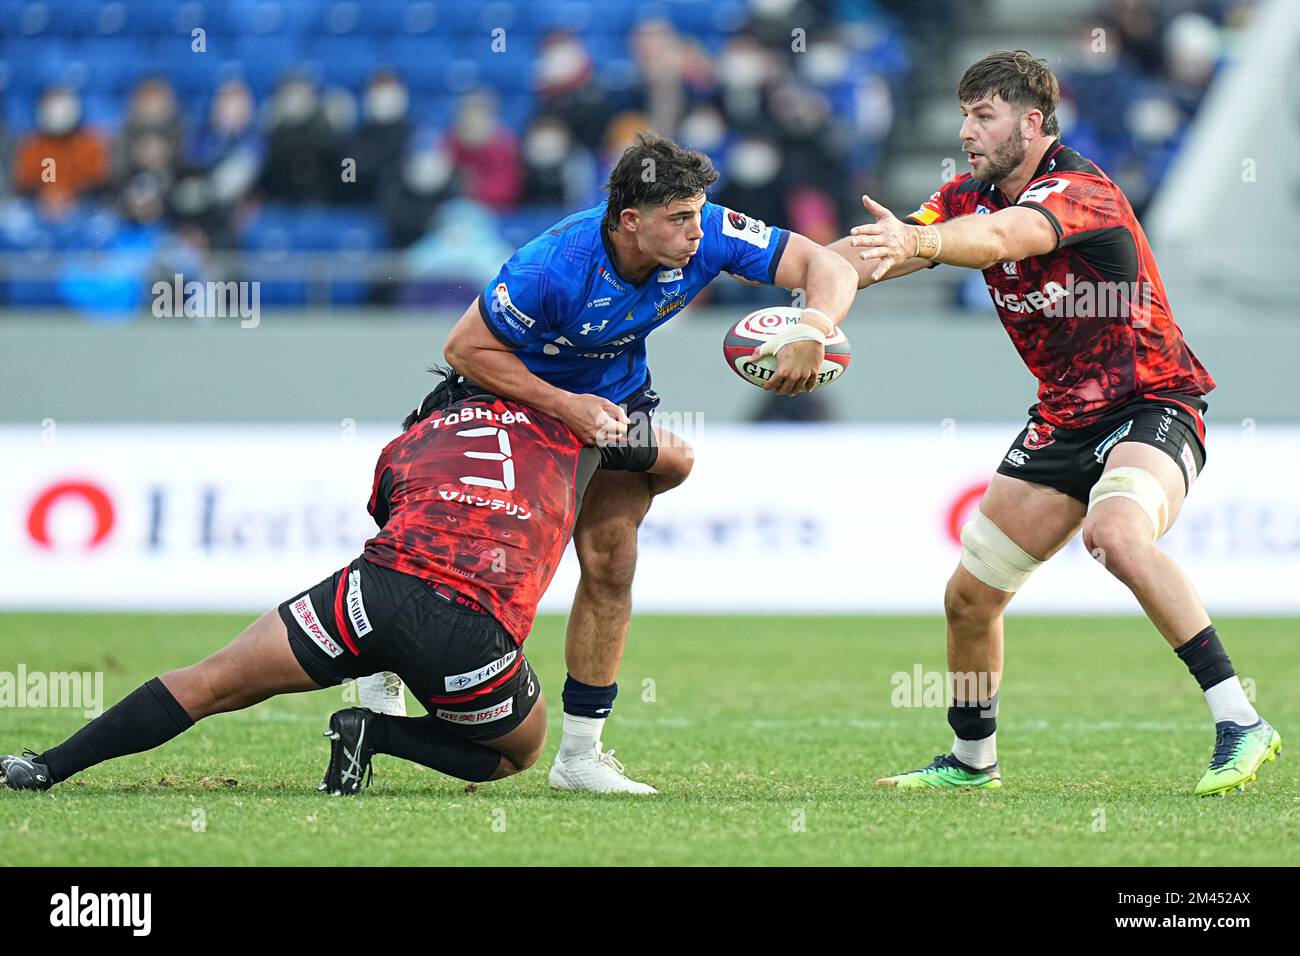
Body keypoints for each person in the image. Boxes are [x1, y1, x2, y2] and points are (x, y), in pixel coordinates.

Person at [833, 50, 1279, 796]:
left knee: (1116, 535)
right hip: (1063, 419)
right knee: (969, 597)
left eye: (984, 115)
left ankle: (1241, 720)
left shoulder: (1080, 189)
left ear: (1031, 122)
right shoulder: (964, 200)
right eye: (964, 115)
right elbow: (865, 256)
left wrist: (923, 241)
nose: (967, 132)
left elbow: (1007, 239)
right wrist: (795, 286)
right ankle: (973, 762)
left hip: (1152, 400)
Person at [1, 371, 692, 794]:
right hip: (471, 627)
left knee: (208, 680)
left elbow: (397, 512)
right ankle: (373, 733)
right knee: (518, 752)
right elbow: (678, 455)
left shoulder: (405, 445)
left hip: (369, 592)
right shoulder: (570, 425)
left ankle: (45, 766)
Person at [442, 131, 859, 793]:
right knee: (493, 567)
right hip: (518, 403)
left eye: (699, 213)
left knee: (614, 560)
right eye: (681, 219)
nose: (699, 232)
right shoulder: (553, 264)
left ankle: (579, 757)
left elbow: (828, 265)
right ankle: (386, 660)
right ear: (630, 222)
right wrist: (565, 404)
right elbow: (465, 349)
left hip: (616, 402)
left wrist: (814, 326)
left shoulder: (710, 231)